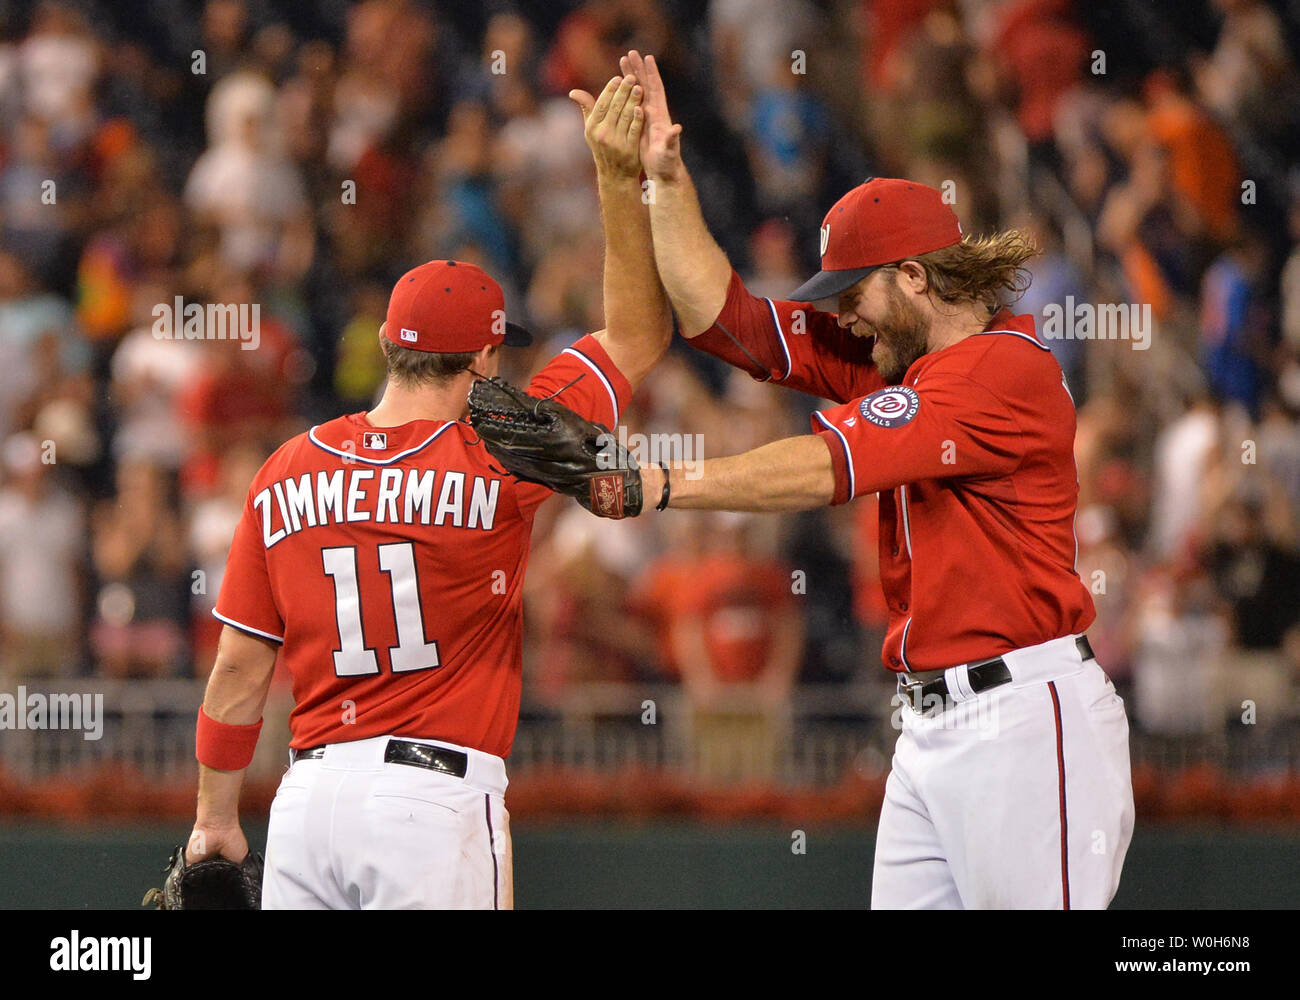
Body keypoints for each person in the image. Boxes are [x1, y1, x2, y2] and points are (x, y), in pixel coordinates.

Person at [613, 51, 1134, 908]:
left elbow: (825, 466)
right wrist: (666, 179)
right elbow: (724, 321)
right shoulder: (894, 361)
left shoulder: (999, 371)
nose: (838, 312)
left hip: (1025, 720)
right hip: (930, 727)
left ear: (915, 277)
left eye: (852, 292)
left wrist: (658, 484)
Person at [182, 75, 671, 909]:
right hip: (429, 797)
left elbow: (236, 670)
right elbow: (636, 331)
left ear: (383, 343)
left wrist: (214, 822)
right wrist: (618, 180)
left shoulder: (285, 468)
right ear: (484, 359)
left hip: (306, 803)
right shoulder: (502, 454)